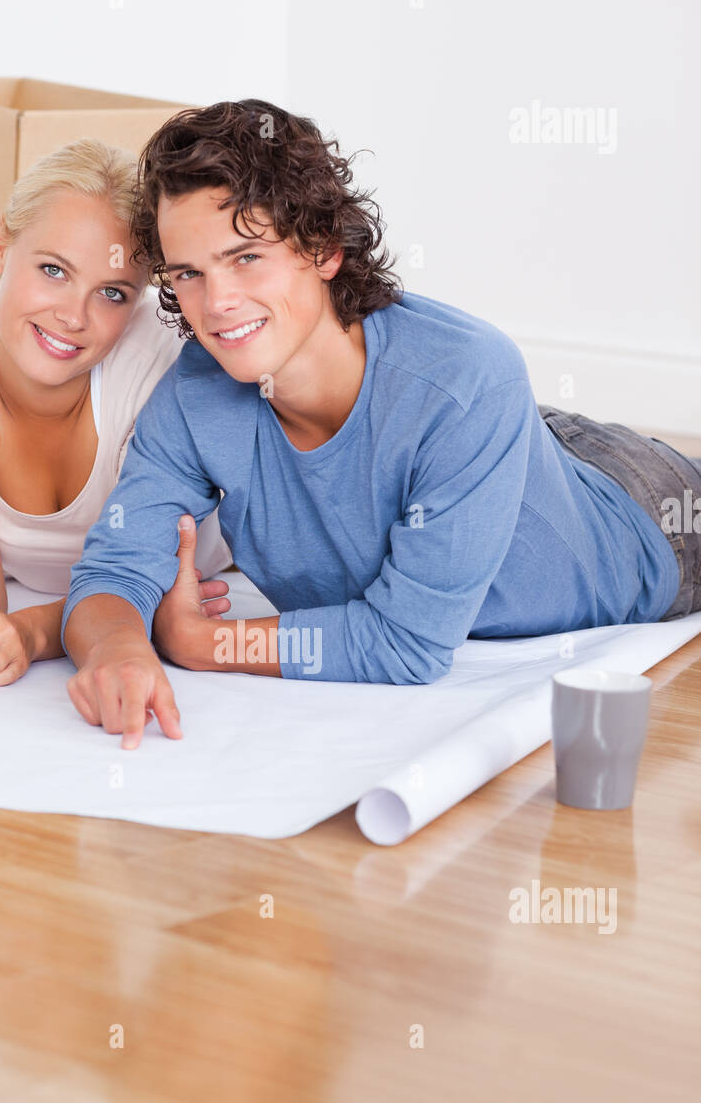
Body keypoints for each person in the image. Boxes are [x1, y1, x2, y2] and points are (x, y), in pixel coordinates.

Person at [61, 100, 701, 749]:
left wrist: (203, 643)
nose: (218, 303)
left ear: (324, 250)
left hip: (641, 510)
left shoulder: (469, 375)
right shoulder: (194, 396)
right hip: (488, 437)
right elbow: (113, 569)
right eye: (189, 274)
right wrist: (118, 650)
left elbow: (406, 643)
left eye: (247, 257)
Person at [0, 137, 231, 691]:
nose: (73, 316)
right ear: (2, 244)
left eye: (113, 294)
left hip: (161, 582)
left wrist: (27, 632)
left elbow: (141, 582)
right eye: (52, 269)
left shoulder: (163, 363)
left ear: (142, 297)